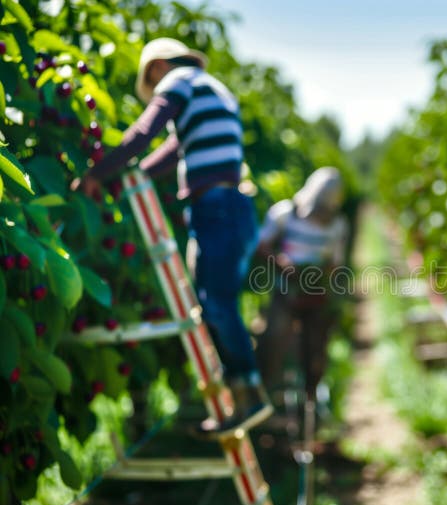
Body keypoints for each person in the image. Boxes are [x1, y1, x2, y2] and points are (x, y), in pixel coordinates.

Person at [73, 37, 269, 433]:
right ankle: (237, 398)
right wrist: (129, 178)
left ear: (157, 68)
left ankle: (251, 394)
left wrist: (97, 173)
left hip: (218, 209)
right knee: (212, 302)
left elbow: (145, 133)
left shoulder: (179, 80)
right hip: (230, 210)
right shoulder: (212, 90)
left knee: (216, 305)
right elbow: (172, 149)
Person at [255, 167, 347, 413]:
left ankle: (311, 401)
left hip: (315, 296)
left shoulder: (337, 226)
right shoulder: (285, 214)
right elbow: (261, 244)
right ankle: (264, 397)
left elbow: (335, 265)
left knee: (315, 351)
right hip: (285, 292)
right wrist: (281, 262)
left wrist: (321, 276)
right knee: (274, 337)